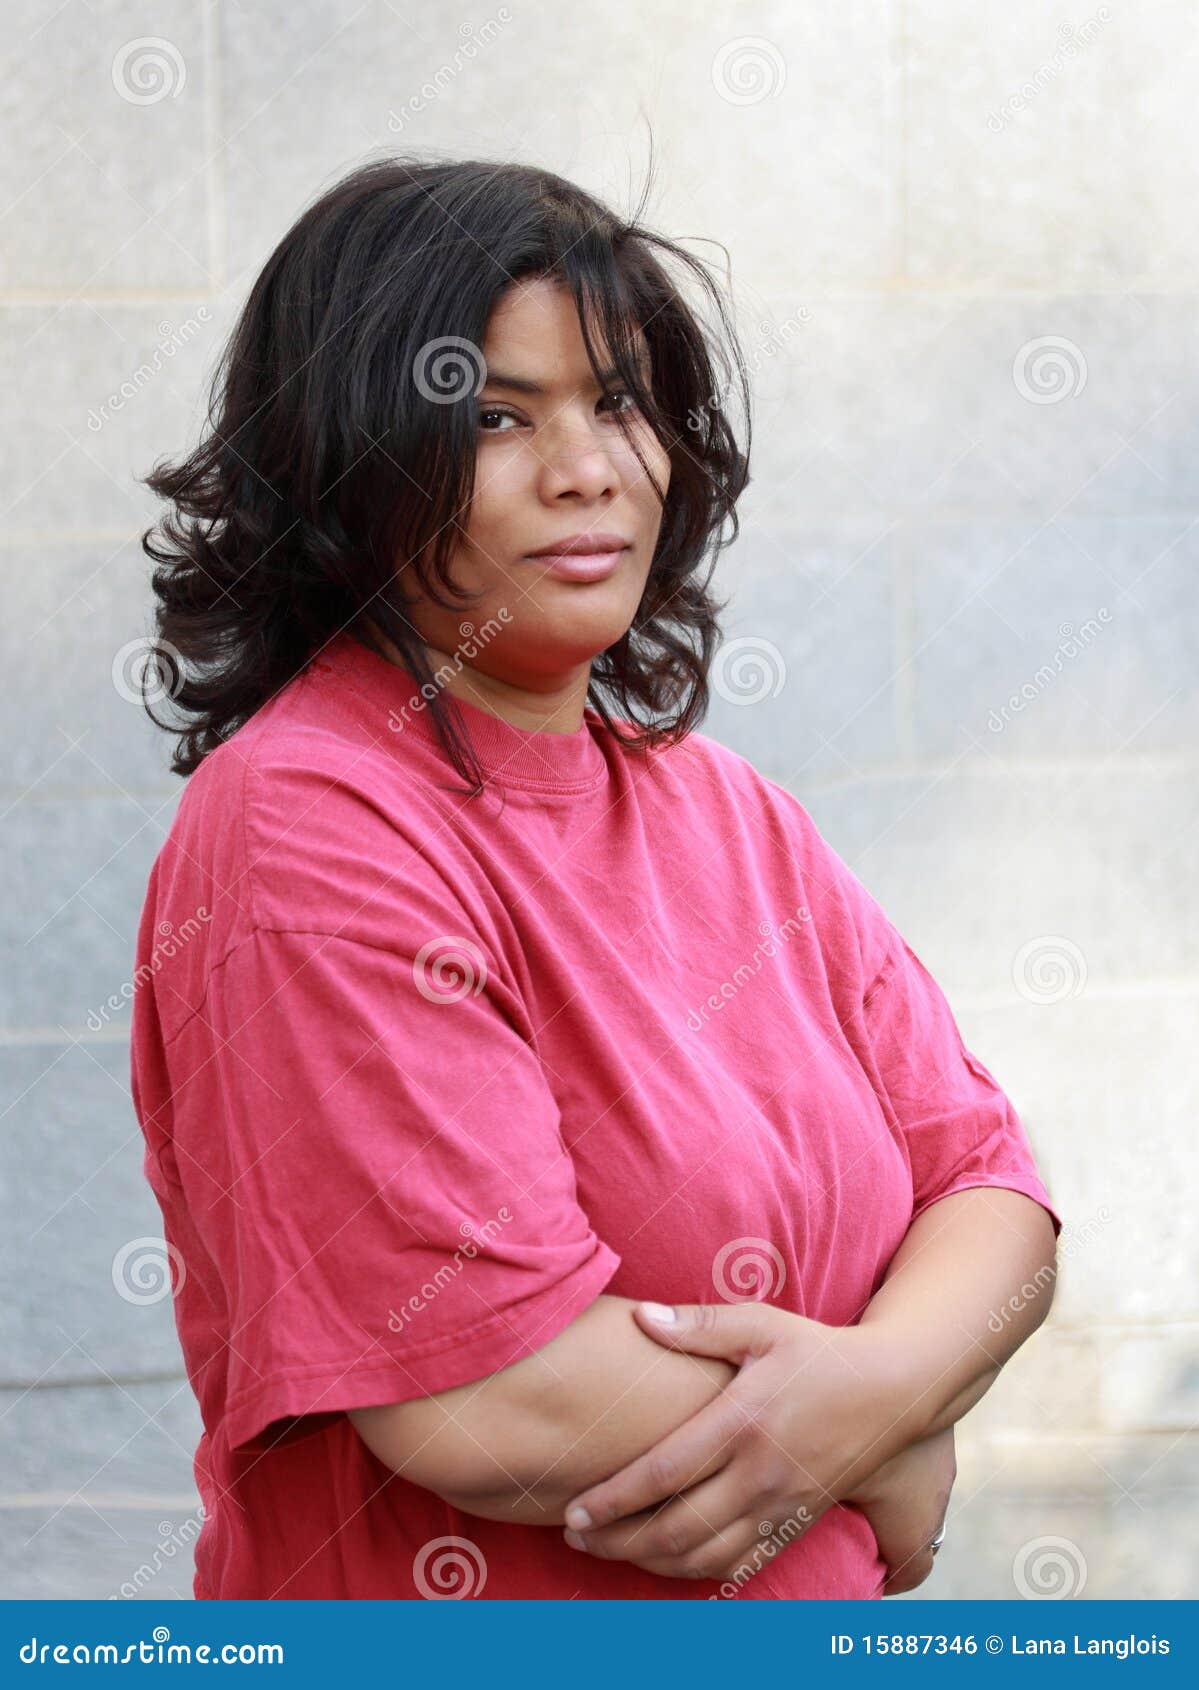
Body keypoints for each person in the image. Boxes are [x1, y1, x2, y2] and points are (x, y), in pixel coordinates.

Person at [129, 155, 1062, 1601]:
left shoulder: (730, 809)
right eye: (498, 415)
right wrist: (883, 1444)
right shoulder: (310, 822)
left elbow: (989, 1190)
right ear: (346, 456)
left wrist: (880, 1383)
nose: (590, 466)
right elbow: (489, 1388)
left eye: (617, 401)